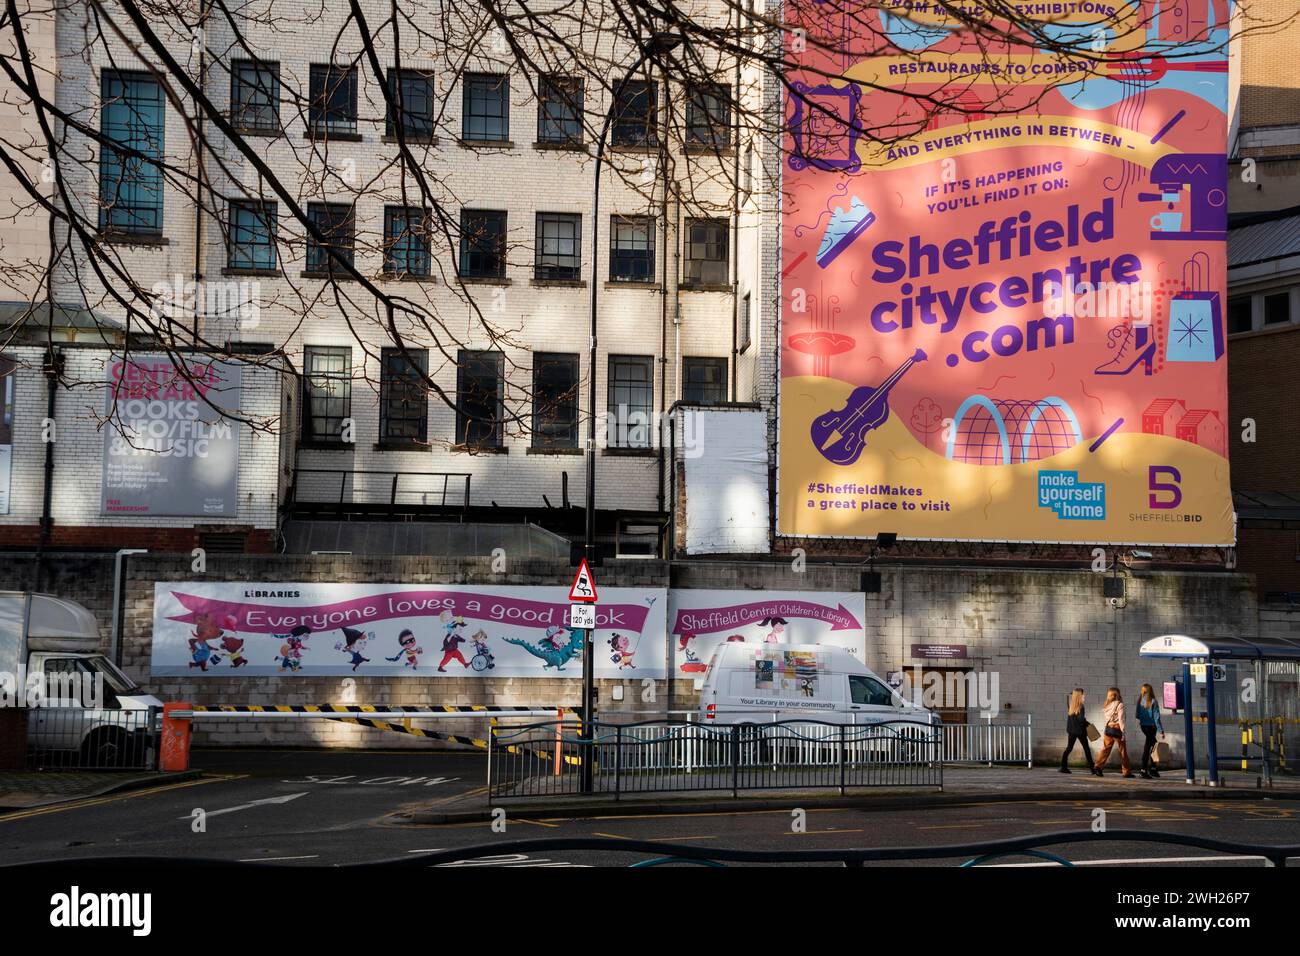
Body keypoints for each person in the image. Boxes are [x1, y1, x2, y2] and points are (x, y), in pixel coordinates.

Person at [1094, 686, 1132, 777]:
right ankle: (1126, 772)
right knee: (1123, 751)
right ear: (1118, 694)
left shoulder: (1107, 705)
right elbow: (1121, 719)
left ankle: (1098, 767)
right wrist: (1123, 732)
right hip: (1117, 729)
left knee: (1105, 749)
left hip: (1108, 729)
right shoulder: (1120, 704)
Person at [1059, 688, 1098, 775]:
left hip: (1072, 730)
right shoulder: (1081, 706)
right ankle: (1092, 769)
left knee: (1069, 748)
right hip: (1080, 731)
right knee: (1086, 749)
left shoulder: (1071, 705)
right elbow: (1081, 720)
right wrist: (1087, 723)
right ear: (1079, 696)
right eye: (1083, 694)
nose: (1084, 696)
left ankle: (1063, 767)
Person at [1135, 683, 1166, 779]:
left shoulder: (1141, 701)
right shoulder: (1153, 701)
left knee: (1153, 746)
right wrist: (1161, 731)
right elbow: (1156, 718)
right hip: (1151, 727)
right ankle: (1143, 770)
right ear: (1151, 691)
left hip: (1143, 726)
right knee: (1148, 748)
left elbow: (1137, 715)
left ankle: (1153, 769)